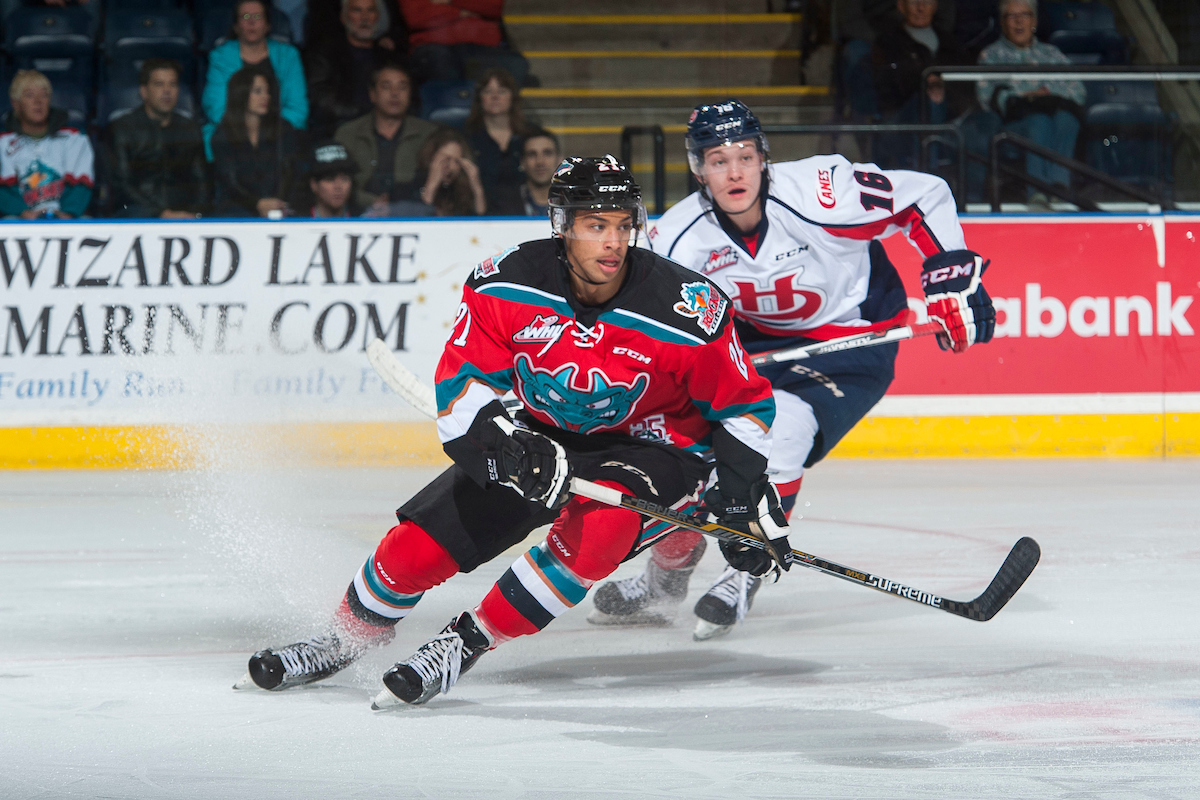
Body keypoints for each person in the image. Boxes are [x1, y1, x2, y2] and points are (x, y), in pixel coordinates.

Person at [235, 156, 787, 706]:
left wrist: (738, 496)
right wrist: (507, 444)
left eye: (623, 224)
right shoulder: (506, 284)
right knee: (417, 549)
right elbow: (461, 390)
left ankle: (466, 641)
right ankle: (346, 637)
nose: (613, 242)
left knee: (598, 534)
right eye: (597, 225)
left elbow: (743, 407)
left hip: (651, 446)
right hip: (541, 433)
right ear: (562, 225)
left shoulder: (686, 307)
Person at [589, 100, 995, 640]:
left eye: (744, 156)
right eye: (717, 160)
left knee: (776, 435)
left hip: (850, 346)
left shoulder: (824, 189)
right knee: (675, 451)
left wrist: (949, 280)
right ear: (697, 169)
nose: (734, 172)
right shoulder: (680, 237)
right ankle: (666, 578)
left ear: (764, 159)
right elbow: (643, 322)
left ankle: (744, 569)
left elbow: (925, 196)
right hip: (750, 350)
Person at [976, 0, 1086, 202]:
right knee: (1039, 122)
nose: (1019, 21)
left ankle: (1059, 187)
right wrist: (1026, 97)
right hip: (1012, 126)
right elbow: (987, 98)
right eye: (1011, 16)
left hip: (1054, 119)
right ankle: (1037, 191)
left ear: (1034, 21)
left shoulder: (1051, 54)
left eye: (1025, 15)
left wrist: (1045, 92)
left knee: (1067, 120)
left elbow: (1078, 91)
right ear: (1003, 22)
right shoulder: (991, 55)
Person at [870, 0, 972, 169]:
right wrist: (924, 84)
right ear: (901, 6)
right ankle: (928, 175)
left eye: (927, 2)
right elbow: (886, 88)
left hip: (951, 118)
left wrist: (943, 89)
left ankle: (974, 194)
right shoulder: (887, 42)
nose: (920, 8)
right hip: (901, 118)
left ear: (936, 6)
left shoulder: (950, 42)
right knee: (930, 100)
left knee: (985, 123)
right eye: (914, 2)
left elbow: (965, 86)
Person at [202, 0, 308, 158]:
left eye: (257, 16)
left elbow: (298, 108)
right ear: (236, 26)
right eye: (245, 16)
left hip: (279, 134)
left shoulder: (288, 55)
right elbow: (216, 107)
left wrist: (267, 132)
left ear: (268, 25)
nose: (251, 22)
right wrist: (249, 132)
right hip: (234, 135)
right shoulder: (220, 56)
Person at [108, 59, 209, 219]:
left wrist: (195, 214)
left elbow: (202, 182)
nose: (167, 91)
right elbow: (122, 185)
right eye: (159, 84)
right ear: (144, 91)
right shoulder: (123, 128)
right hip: (138, 212)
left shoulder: (190, 128)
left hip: (185, 213)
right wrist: (161, 214)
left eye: (173, 85)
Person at [335, 61, 439, 216]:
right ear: (372, 95)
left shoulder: (430, 134)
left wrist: (398, 203)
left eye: (402, 87)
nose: (395, 93)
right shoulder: (348, 133)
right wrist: (371, 202)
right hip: (358, 215)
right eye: (386, 86)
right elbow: (333, 183)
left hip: (413, 215)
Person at [0, 70, 93, 219]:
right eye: (29, 95)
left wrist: (67, 213)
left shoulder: (74, 138)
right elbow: (3, 191)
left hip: (67, 217)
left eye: (44, 95)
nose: (38, 101)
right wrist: (23, 213)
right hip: (20, 219)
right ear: (15, 104)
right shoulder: (3, 142)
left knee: (86, 221)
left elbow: (82, 184)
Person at [211, 65, 300, 217]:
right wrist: (257, 204)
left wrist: (276, 202)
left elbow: (289, 171)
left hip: (279, 203)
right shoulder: (223, 135)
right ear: (241, 94)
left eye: (267, 91)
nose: (266, 96)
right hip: (239, 205)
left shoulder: (282, 128)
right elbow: (230, 182)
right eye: (257, 91)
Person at [306, 0, 397, 137]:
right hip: (339, 128)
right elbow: (319, 97)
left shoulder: (389, 58)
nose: (364, 17)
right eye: (357, 10)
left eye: (370, 11)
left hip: (385, 130)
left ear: (377, 17)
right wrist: (364, 114)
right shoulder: (325, 53)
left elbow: (409, 98)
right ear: (343, 18)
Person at [401, 0, 529, 86]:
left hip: (481, 47)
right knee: (441, 61)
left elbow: (494, 6)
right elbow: (416, 17)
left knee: (516, 63)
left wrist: (451, 1)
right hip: (433, 47)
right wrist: (461, 12)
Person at [464, 69, 528, 213]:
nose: (495, 97)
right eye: (488, 91)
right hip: (477, 216)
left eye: (502, 91)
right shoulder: (467, 138)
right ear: (479, 99)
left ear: (513, 97)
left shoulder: (530, 136)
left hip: (526, 216)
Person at [415, 128, 486, 215]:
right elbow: (418, 221)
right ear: (431, 158)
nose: (451, 167)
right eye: (445, 159)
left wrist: (477, 189)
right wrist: (431, 186)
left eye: (457, 161)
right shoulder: (414, 186)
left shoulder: (463, 192)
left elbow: (483, 223)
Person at [493, 127, 559, 216]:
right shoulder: (503, 203)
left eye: (547, 153)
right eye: (532, 154)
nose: (540, 162)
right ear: (522, 162)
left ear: (559, 159)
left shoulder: (574, 202)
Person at [306, 141, 358, 217]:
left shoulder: (365, 222)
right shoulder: (294, 224)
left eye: (344, 179)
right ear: (314, 184)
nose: (338, 187)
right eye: (330, 179)